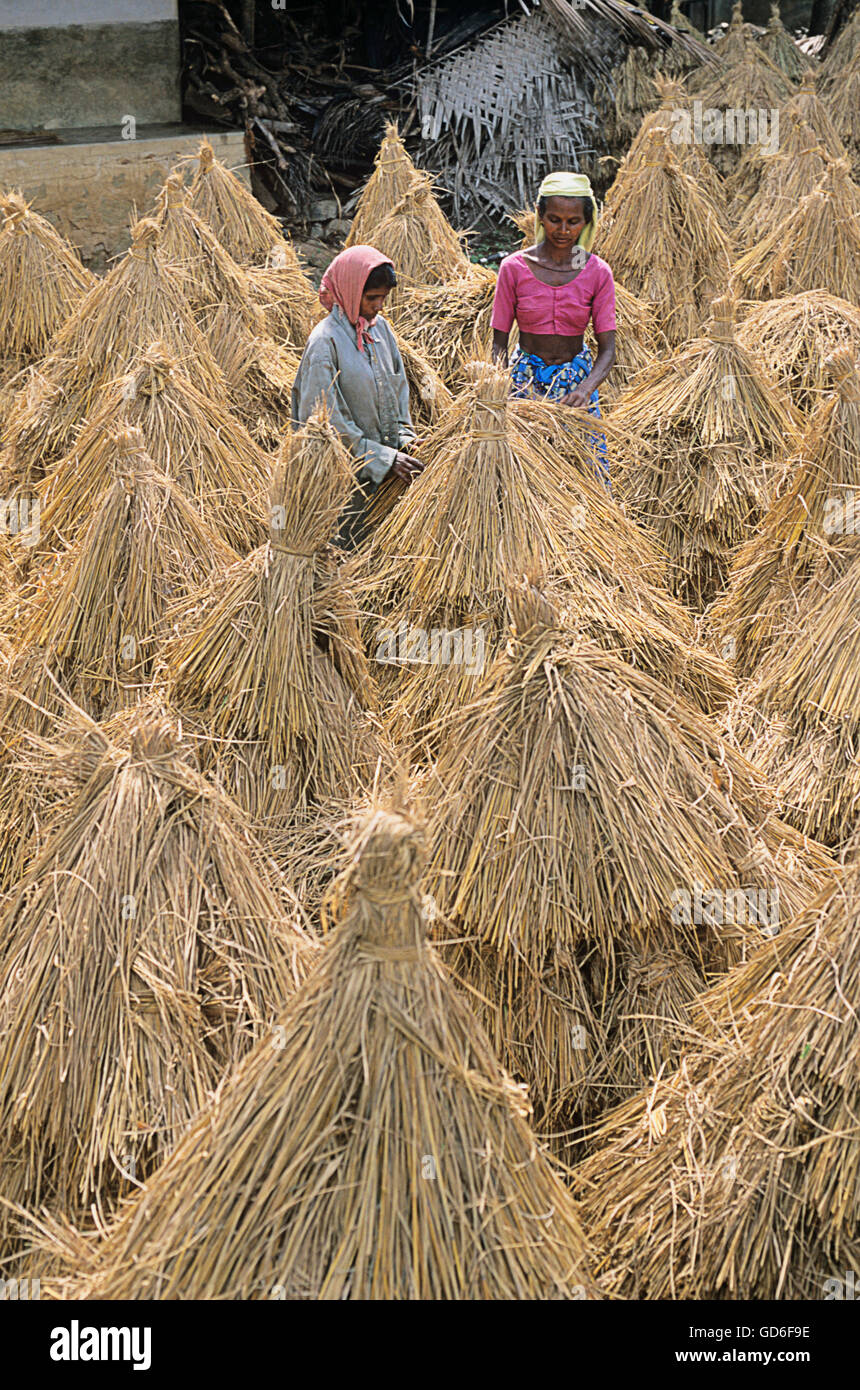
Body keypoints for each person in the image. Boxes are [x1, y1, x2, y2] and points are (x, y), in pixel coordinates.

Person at [291, 244, 423, 548]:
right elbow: (325, 422)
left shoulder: (381, 331)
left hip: (386, 476)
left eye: (383, 299)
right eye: (371, 298)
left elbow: (397, 387)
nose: (379, 307)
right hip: (342, 484)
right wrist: (382, 458)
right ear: (350, 290)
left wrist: (404, 437)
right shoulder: (325, 344)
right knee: (346, 551)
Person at [491, 172, 616, 483]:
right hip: (524, 382)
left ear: (587, 221)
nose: (563, 230)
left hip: (575, 383)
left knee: (583, 478)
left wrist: (585, 390)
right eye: (554, 219)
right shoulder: (514, 269)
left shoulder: (598, 273)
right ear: (540, 217)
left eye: (573, 221)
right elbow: (499, 343)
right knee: (524, 480)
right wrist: (498, 387)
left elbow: (608, 349)